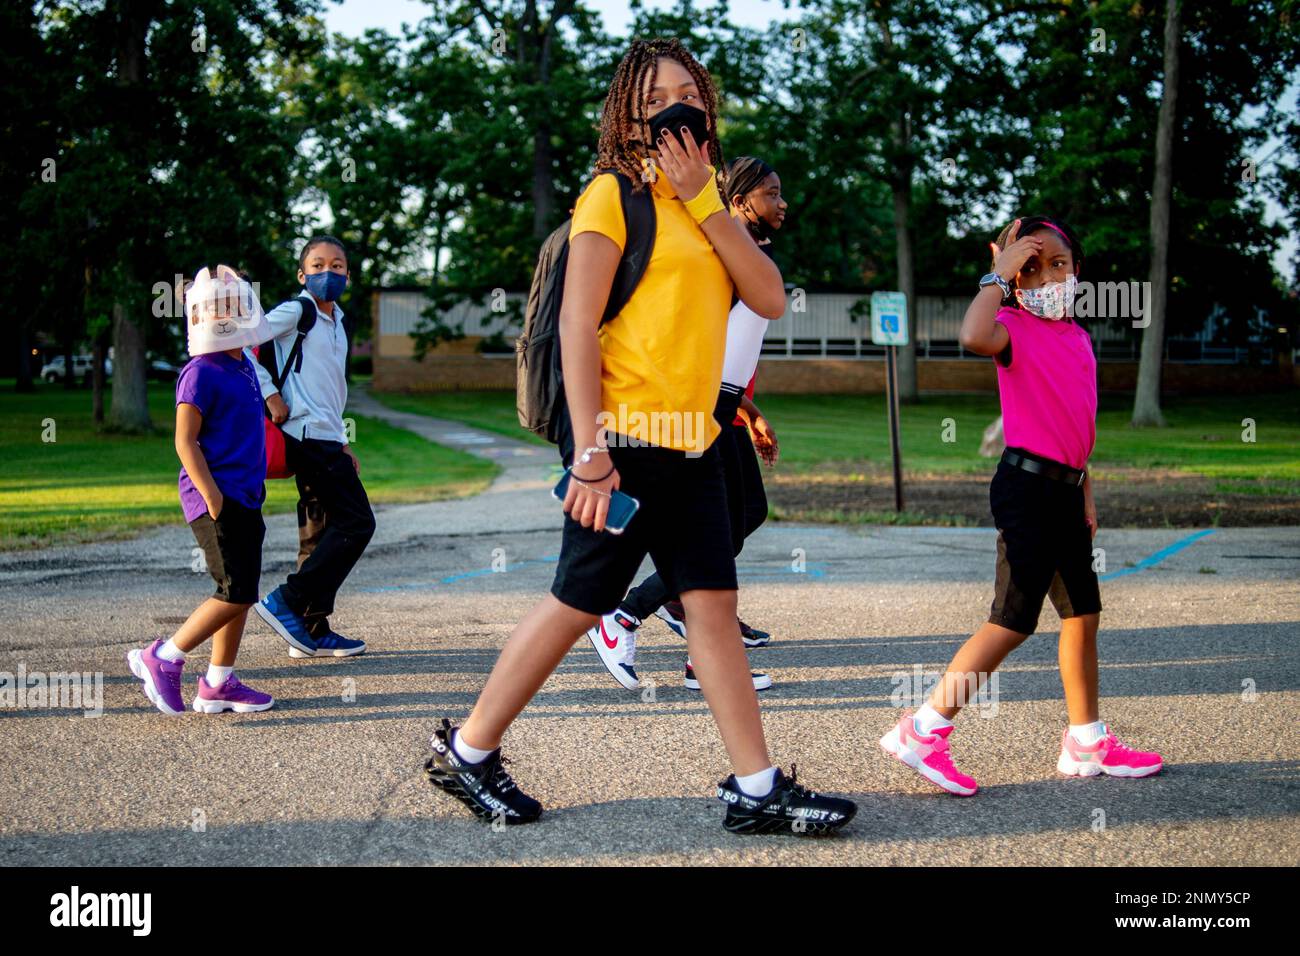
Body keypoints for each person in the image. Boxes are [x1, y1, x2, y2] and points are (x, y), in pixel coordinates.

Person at [423, 39, 856, 834]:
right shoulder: (609, 197)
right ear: (628, 111)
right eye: (655, 97)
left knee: (714, 609)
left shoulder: (707, 208)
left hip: (692, 445)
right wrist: (589, 454)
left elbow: (766, 296)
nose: (674, 107)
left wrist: (705, 202)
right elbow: (577, 325)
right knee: (575, 603)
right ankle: (471, 750)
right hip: (621, 443)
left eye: (687, 93)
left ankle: (758, 789)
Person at [878, 216, 1163, 796]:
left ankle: (1086, 739)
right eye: (1030, 268)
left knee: (1083, 614)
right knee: (1011, 621)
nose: (1047, 278)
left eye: (1058, 264)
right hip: (1026, 488)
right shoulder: (1009, 324)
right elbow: (971, 336)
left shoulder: (1078, 336)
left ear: (1077, 269)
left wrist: (1086, 488)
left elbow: (1077, 421)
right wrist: (999, 277)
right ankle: (922, 729)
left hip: (1065, 489)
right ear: (1009, 274)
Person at [585, 155, 786, 693]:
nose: (781, 203)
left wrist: (750, 409)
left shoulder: (744, 250)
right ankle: (626, 615)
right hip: (694, 406)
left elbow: (732, 346)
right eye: (770, 193)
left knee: (736, 520)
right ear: (739, 198)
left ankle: (685, 640)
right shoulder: (718, 248)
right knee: (715, 527)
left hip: (723, 405)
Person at [126, 265, 275, 715]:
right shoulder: (200, 371)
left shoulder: (245, 362)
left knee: (241, 591)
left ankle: (218, 683)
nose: (227, 314)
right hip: (216, 497)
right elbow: (184, 440)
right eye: (217, 307)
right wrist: (211, 495)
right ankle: (163, 657)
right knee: (235, 590)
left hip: (247, 496)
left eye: (234, 304)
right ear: (199, 315)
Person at [252, 236, 373, 659]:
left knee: (319, 531)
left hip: (326, 436)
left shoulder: (339, 320)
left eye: (337, 266)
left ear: (347, 275)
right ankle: (287, 599)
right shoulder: (296, 310)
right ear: (303, 275)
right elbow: (245, 346)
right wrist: (270, 394)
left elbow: (330, 390)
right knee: (358, 523)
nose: (329, 272)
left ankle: (311, 628)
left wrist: (342, 440)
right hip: (303, 435)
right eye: (318, 265)